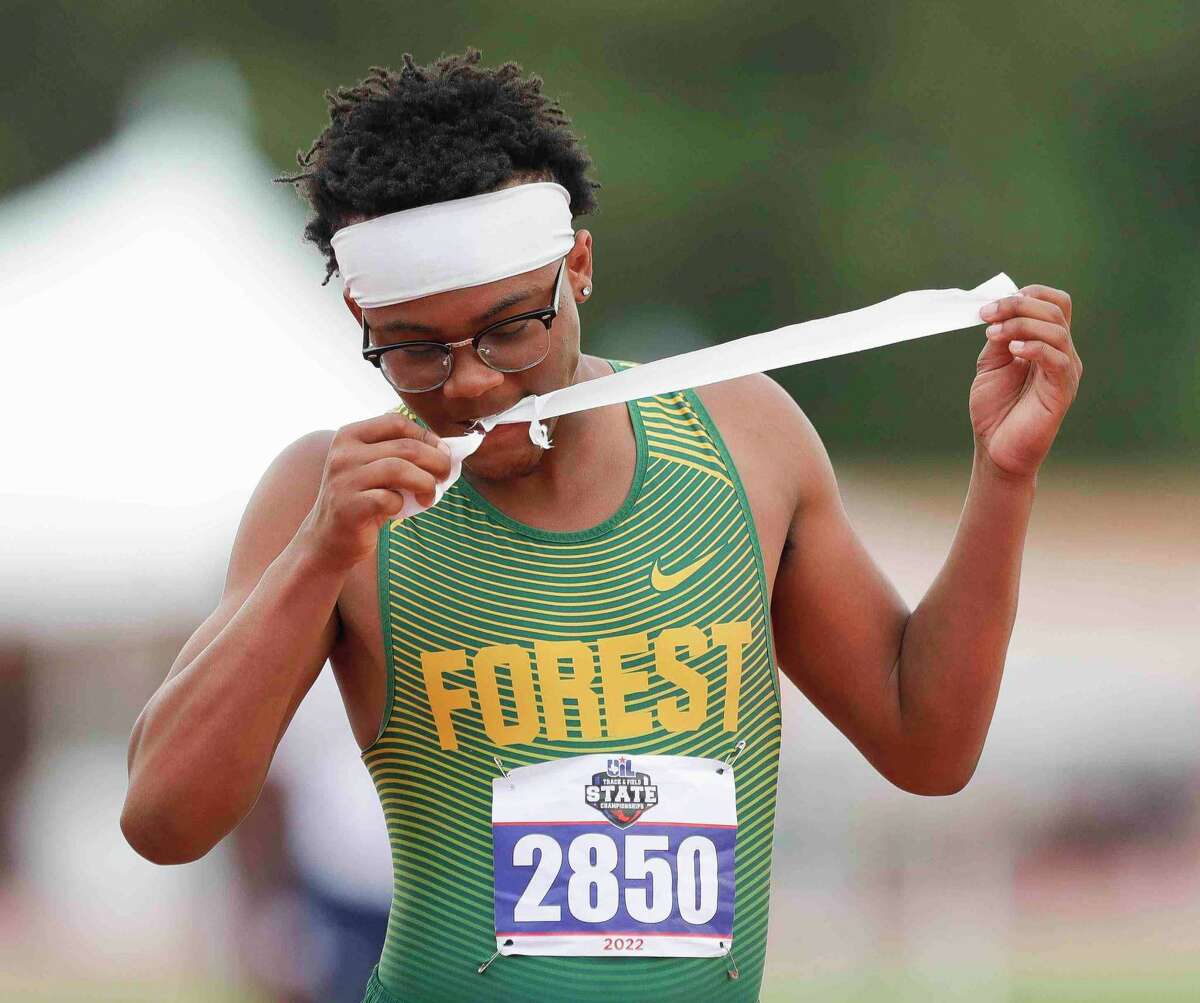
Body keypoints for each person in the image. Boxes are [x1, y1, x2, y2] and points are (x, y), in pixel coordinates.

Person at [120, 48, 1082, 1003]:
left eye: (510, 328)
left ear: (578, 266)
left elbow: (928, 746)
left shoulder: (744, 436)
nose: (473, 383)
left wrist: (1004, 477)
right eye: (413, 351)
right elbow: (164, 821)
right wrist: (319, 553)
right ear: (363, 317)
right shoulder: (329, 498)